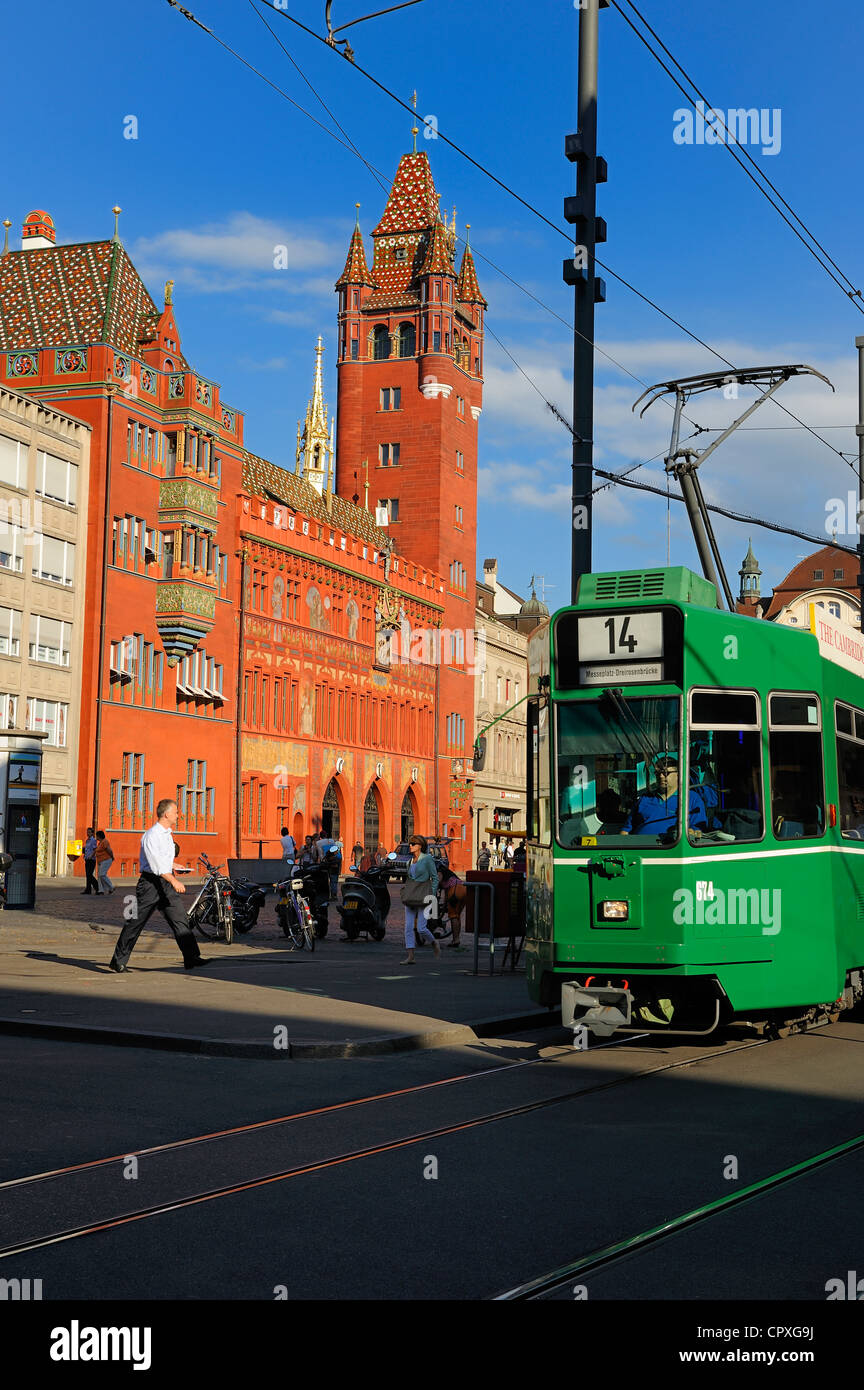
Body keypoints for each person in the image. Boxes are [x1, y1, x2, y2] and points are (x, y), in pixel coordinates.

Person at [108, 798, 207, 973]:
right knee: (135, 922)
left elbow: (163, 861)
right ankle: (118, 960)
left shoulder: (168, 834)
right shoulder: (152, 835)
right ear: (167, 814)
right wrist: (174, 880)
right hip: (150, 885)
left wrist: (175, 867)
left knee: (180, 919)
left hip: (165, 882)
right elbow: (155, 865)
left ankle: (192, 957)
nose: (179, 815)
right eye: (176, 812)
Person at [621, 758, 708, 839]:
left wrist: (691, 832)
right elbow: (625, 830)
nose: (661, 776)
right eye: (657, 773)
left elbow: (697, 830)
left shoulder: (691, 798)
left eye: (666, 773)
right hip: (640, 849)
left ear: (679, 774)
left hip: (671, 849)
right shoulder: (644, 799)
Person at [400, 835, 441, 965]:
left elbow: (435, 878)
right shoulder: (409, 862)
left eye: (413, 844)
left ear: (420, 846)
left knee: (421, 928)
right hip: (411, 896)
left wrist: (432, 895)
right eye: (410, 843)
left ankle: (434, 942)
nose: (410, 846)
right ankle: (411, 956)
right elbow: (409, 879)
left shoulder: (427, 859)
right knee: (408, 927)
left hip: (424, 896)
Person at [95, 830, 115, 894]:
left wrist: (112, 857)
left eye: (96, 836)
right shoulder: (100, 843)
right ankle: (101, 890)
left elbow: (109, 850)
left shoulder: (105, 842)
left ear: (99, 836)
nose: (96, 837)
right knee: (99, 876)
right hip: (100, 861)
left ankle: (111, 887)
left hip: (106, 860)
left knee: (102, 874)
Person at [81, 827, 99, 895]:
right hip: (87, 859)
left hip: (91, 860)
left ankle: (97, 888)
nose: (87, 833)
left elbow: (95, 849)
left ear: (92, 833)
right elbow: (87, 849)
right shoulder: (87, 841)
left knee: (89, 875)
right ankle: (88, 889)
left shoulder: (93, 840)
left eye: (89, 832)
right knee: (88, 875)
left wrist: (91, 856)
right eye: (87, 832)